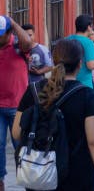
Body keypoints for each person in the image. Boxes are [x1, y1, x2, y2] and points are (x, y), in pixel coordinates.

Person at [13, 38, 94, 191]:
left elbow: (16, 133)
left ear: (53, 60)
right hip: (77, 176)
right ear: (80, 63)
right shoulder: (86, 96)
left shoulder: (33, 91)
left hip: (40, 173)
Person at [0, 15, 34, 190]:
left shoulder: (17, 45)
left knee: (20, 146)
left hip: (17, 107)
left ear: (8, 33)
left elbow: (28, 43)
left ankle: (28, 180)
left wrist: (12, 22)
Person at [66, 14, 94, 89]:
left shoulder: (67, 39)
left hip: (67, 83)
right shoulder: (88, 42)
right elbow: (91, 65)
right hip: (84, 84)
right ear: (88, 27)